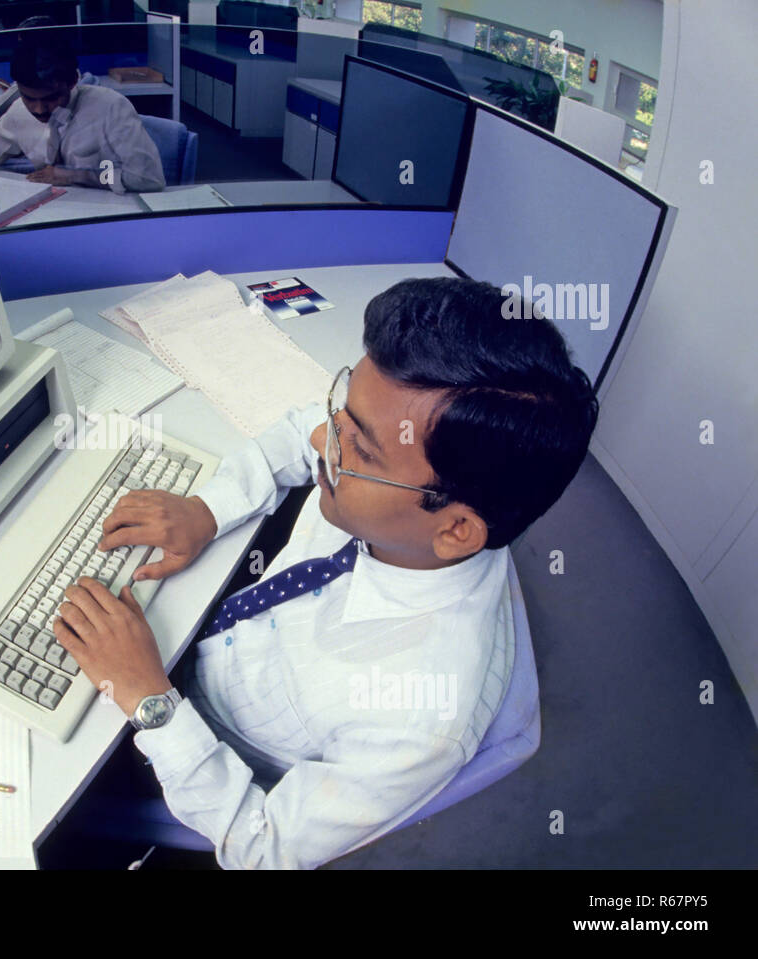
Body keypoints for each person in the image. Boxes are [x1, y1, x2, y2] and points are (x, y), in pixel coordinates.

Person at [52, 277, 600, 868]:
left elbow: (262, 849)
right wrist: (208, 510)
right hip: (203, 647)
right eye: (342, 408)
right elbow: (304, 426)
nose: (323, 438)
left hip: (189, 749)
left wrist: (150, 699)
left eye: (359, 450)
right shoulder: (392, 471)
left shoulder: (418, 719)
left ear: (455, 530)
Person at [0, 26, 165, 193]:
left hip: (106, 213)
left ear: (73, 81)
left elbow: (147, 178)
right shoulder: (19, 110)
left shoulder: (111, 107)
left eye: (51, 98)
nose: (38, 109)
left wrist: (76, 175)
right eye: (29, 97)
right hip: (50, 211)